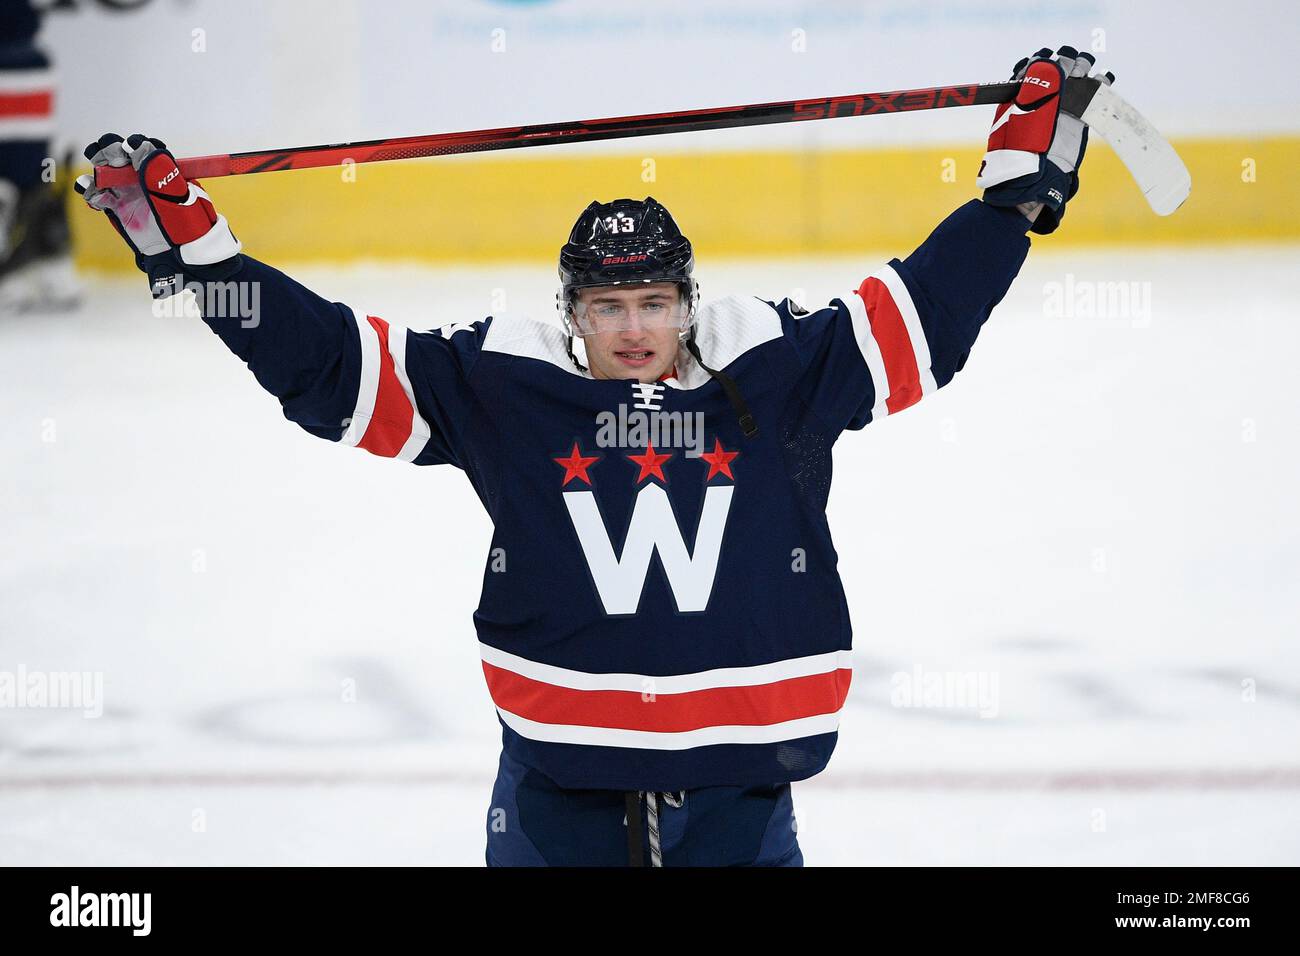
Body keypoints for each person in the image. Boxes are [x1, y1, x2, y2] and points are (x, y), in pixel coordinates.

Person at [76, 46, 1112, 866]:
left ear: (688, 302)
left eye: (654, 302)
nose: (633, 328)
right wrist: (209, 264)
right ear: (571, 314)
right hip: (555, 794)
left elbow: (924, 315)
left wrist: (1011, 198)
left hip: (738, 794)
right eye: (607, 306)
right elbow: (331, 368)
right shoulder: (510, 388)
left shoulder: (771, 373)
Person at [0, 0, 77, 313]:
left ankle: (28, 252)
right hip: (26, 51)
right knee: (29, 166)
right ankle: (39, 251)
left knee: (25, 166)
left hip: (20, 48)